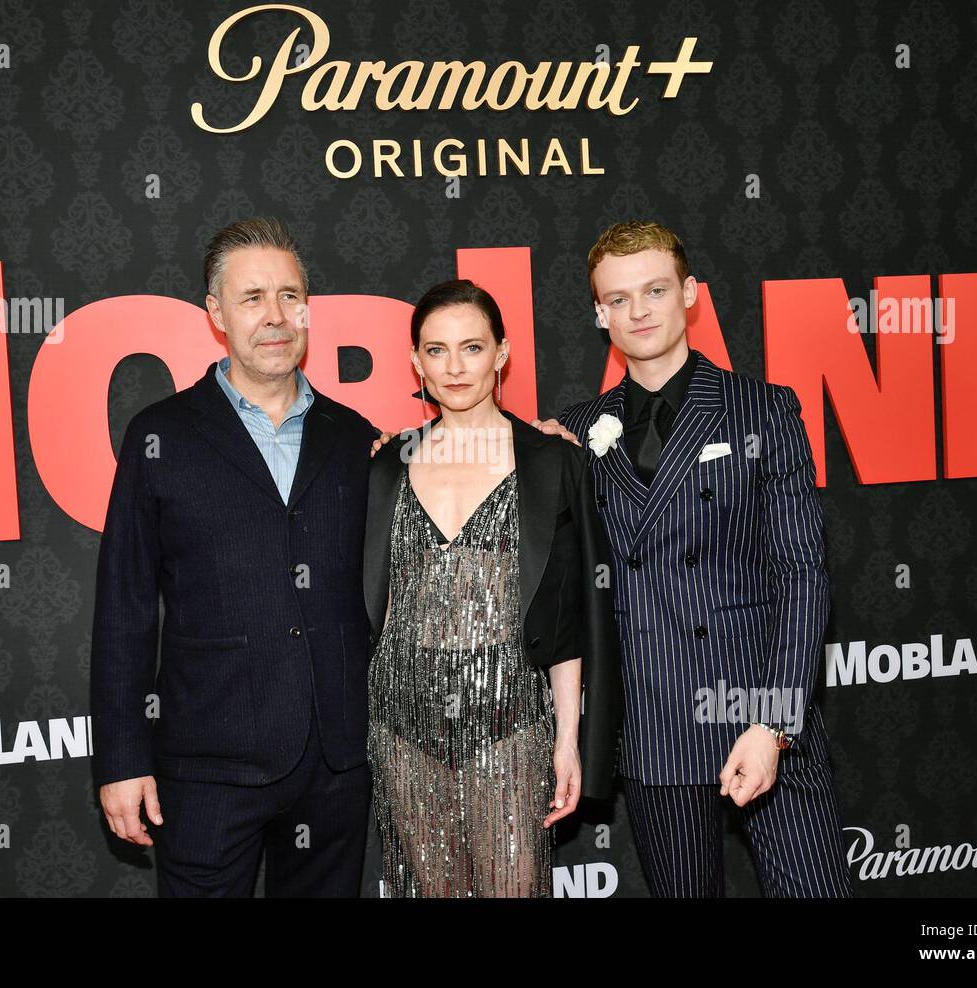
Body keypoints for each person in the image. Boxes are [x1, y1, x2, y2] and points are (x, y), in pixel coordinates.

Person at [542, 220, 853, 897]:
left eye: (654, 290)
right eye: (618, 299)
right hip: (653, 724)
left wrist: (773, 724)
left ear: (690, 294)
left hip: (760, 704)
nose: (638, 312)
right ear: (599, 313)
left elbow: (801, 574)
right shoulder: (572, 432)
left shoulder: (763, 411)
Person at [90, 217, 379, 896]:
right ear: (216, 313)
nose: (274, 317)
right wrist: (121, 759)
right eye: (252, 298)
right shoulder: (159, 435)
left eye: (289, 296)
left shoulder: (354, 438)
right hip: (207, 769)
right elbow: (123, 609)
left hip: (335, 764)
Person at [363, 279, 621, 897]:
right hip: (402, 723)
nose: (454, 368)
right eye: (436, 350)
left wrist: (568, 741)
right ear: (415, 361)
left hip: (511, 723)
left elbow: (566, 621)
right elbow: (378, 603)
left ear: (502, 354)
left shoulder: (553, 462)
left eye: (472, 348)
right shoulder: (382, 466)